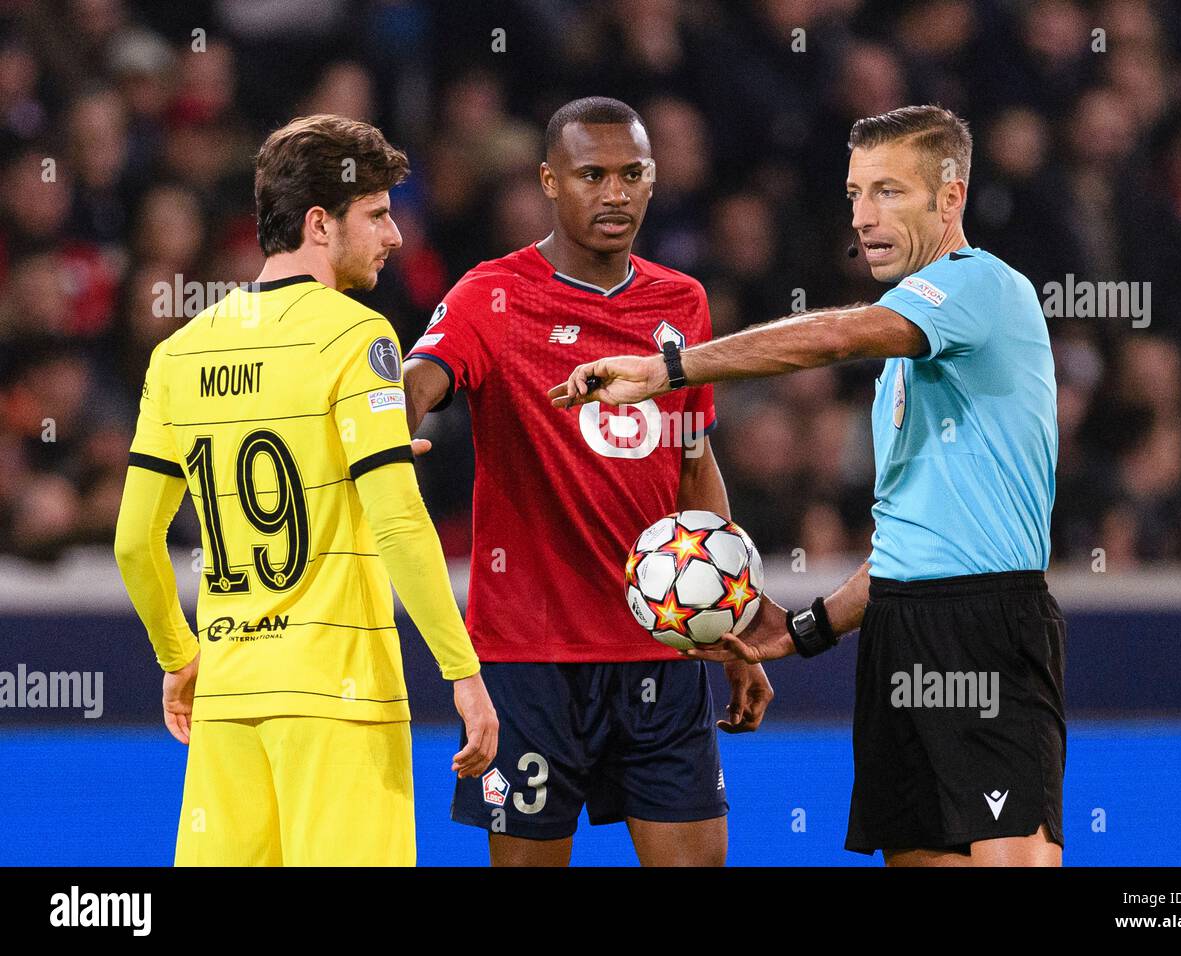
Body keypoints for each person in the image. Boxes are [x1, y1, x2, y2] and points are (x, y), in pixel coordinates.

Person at [551, 104, 1066, 867]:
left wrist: (668, 370)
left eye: (889, 192)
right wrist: (800, 630)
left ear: (951, 199)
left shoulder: (983, 287)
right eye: (856, 193)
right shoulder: (907, 371)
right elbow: (908, 549)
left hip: (989, 629)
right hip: (900, 629)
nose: (863, 216)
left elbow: (834, 335)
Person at [113, 114, 497, 866]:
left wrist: (177, 655)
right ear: (321, 223)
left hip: (227, 700)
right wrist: (464, 672)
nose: (394, 237)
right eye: (378, 215)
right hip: (340, 701)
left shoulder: (179, 353)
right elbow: (398, 522)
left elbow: (134, 542)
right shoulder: (359, 338)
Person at [402, 97, 773, 867]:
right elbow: (420, 375)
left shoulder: (682, 303)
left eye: (632, 174)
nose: (615, 194)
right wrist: (397, 416)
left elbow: (693, 463)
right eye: (592, 175)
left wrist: (731, 624)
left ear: (653, 177)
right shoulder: (493, 295)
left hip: (661, 646)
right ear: (548, 180)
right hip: (530, 658)